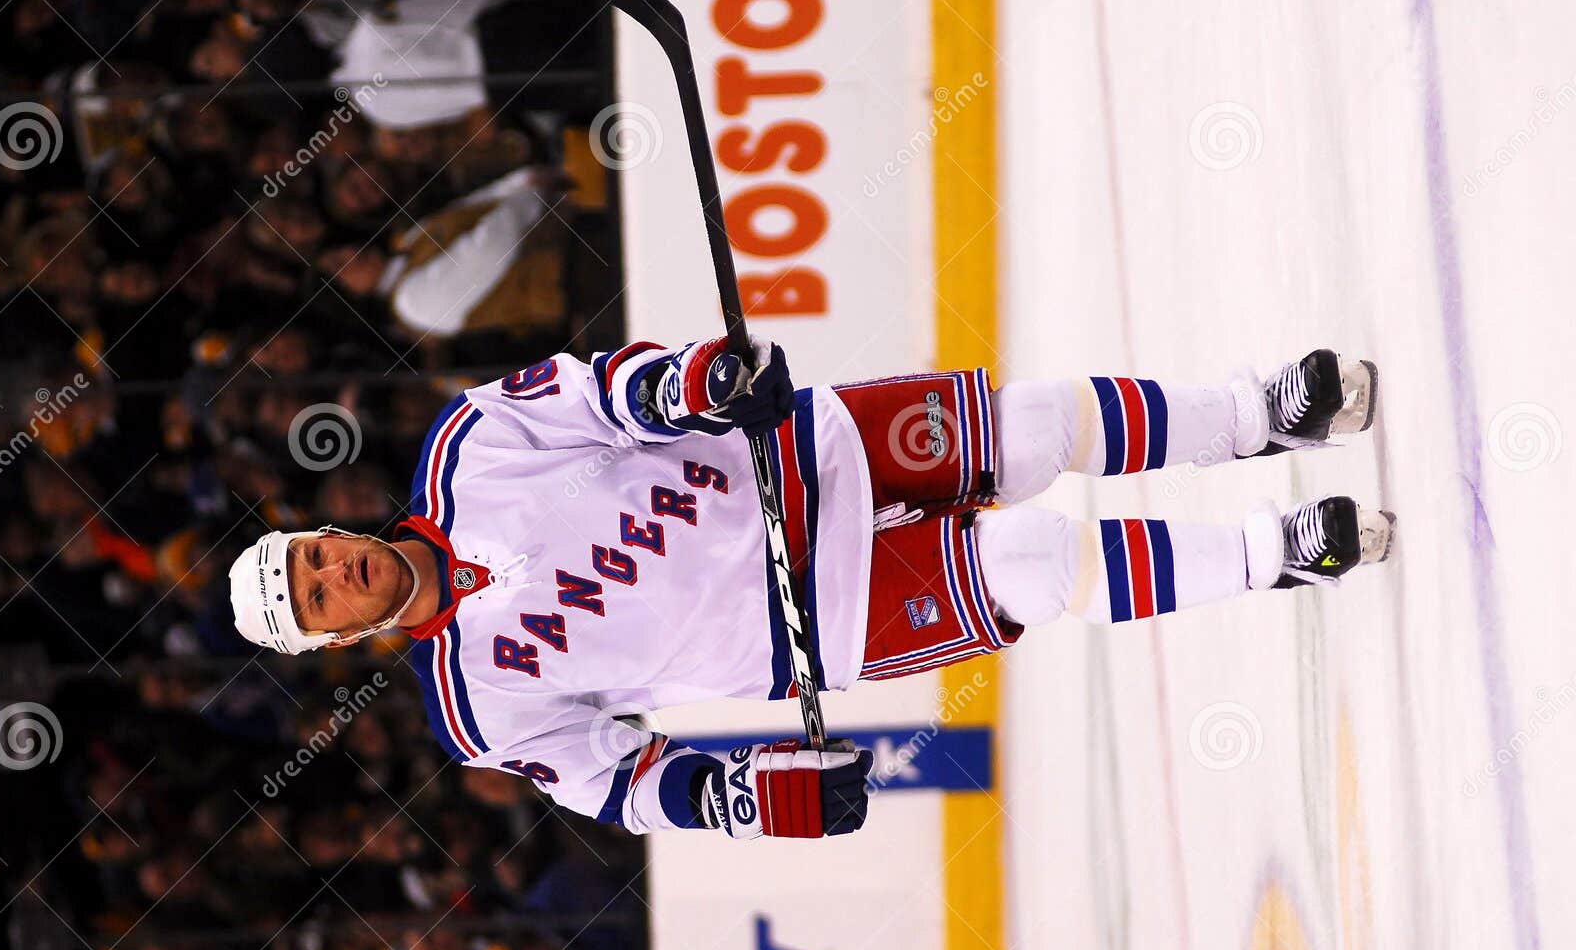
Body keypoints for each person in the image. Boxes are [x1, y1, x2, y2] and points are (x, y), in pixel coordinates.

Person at [228, 341, 1393, 839]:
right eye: (321, 599)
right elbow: (619, 784)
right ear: (339, 641)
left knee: (1040, 426)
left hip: (796, 451)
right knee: (1038, 563)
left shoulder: (465, 446)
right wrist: (736, 799)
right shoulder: (479, 707)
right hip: (818, 616)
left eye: (314, 557)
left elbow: (600, 397)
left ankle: (1255, 413)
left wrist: (693, 382)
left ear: (326, 526)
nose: (335, 575)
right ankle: (1274, 549)